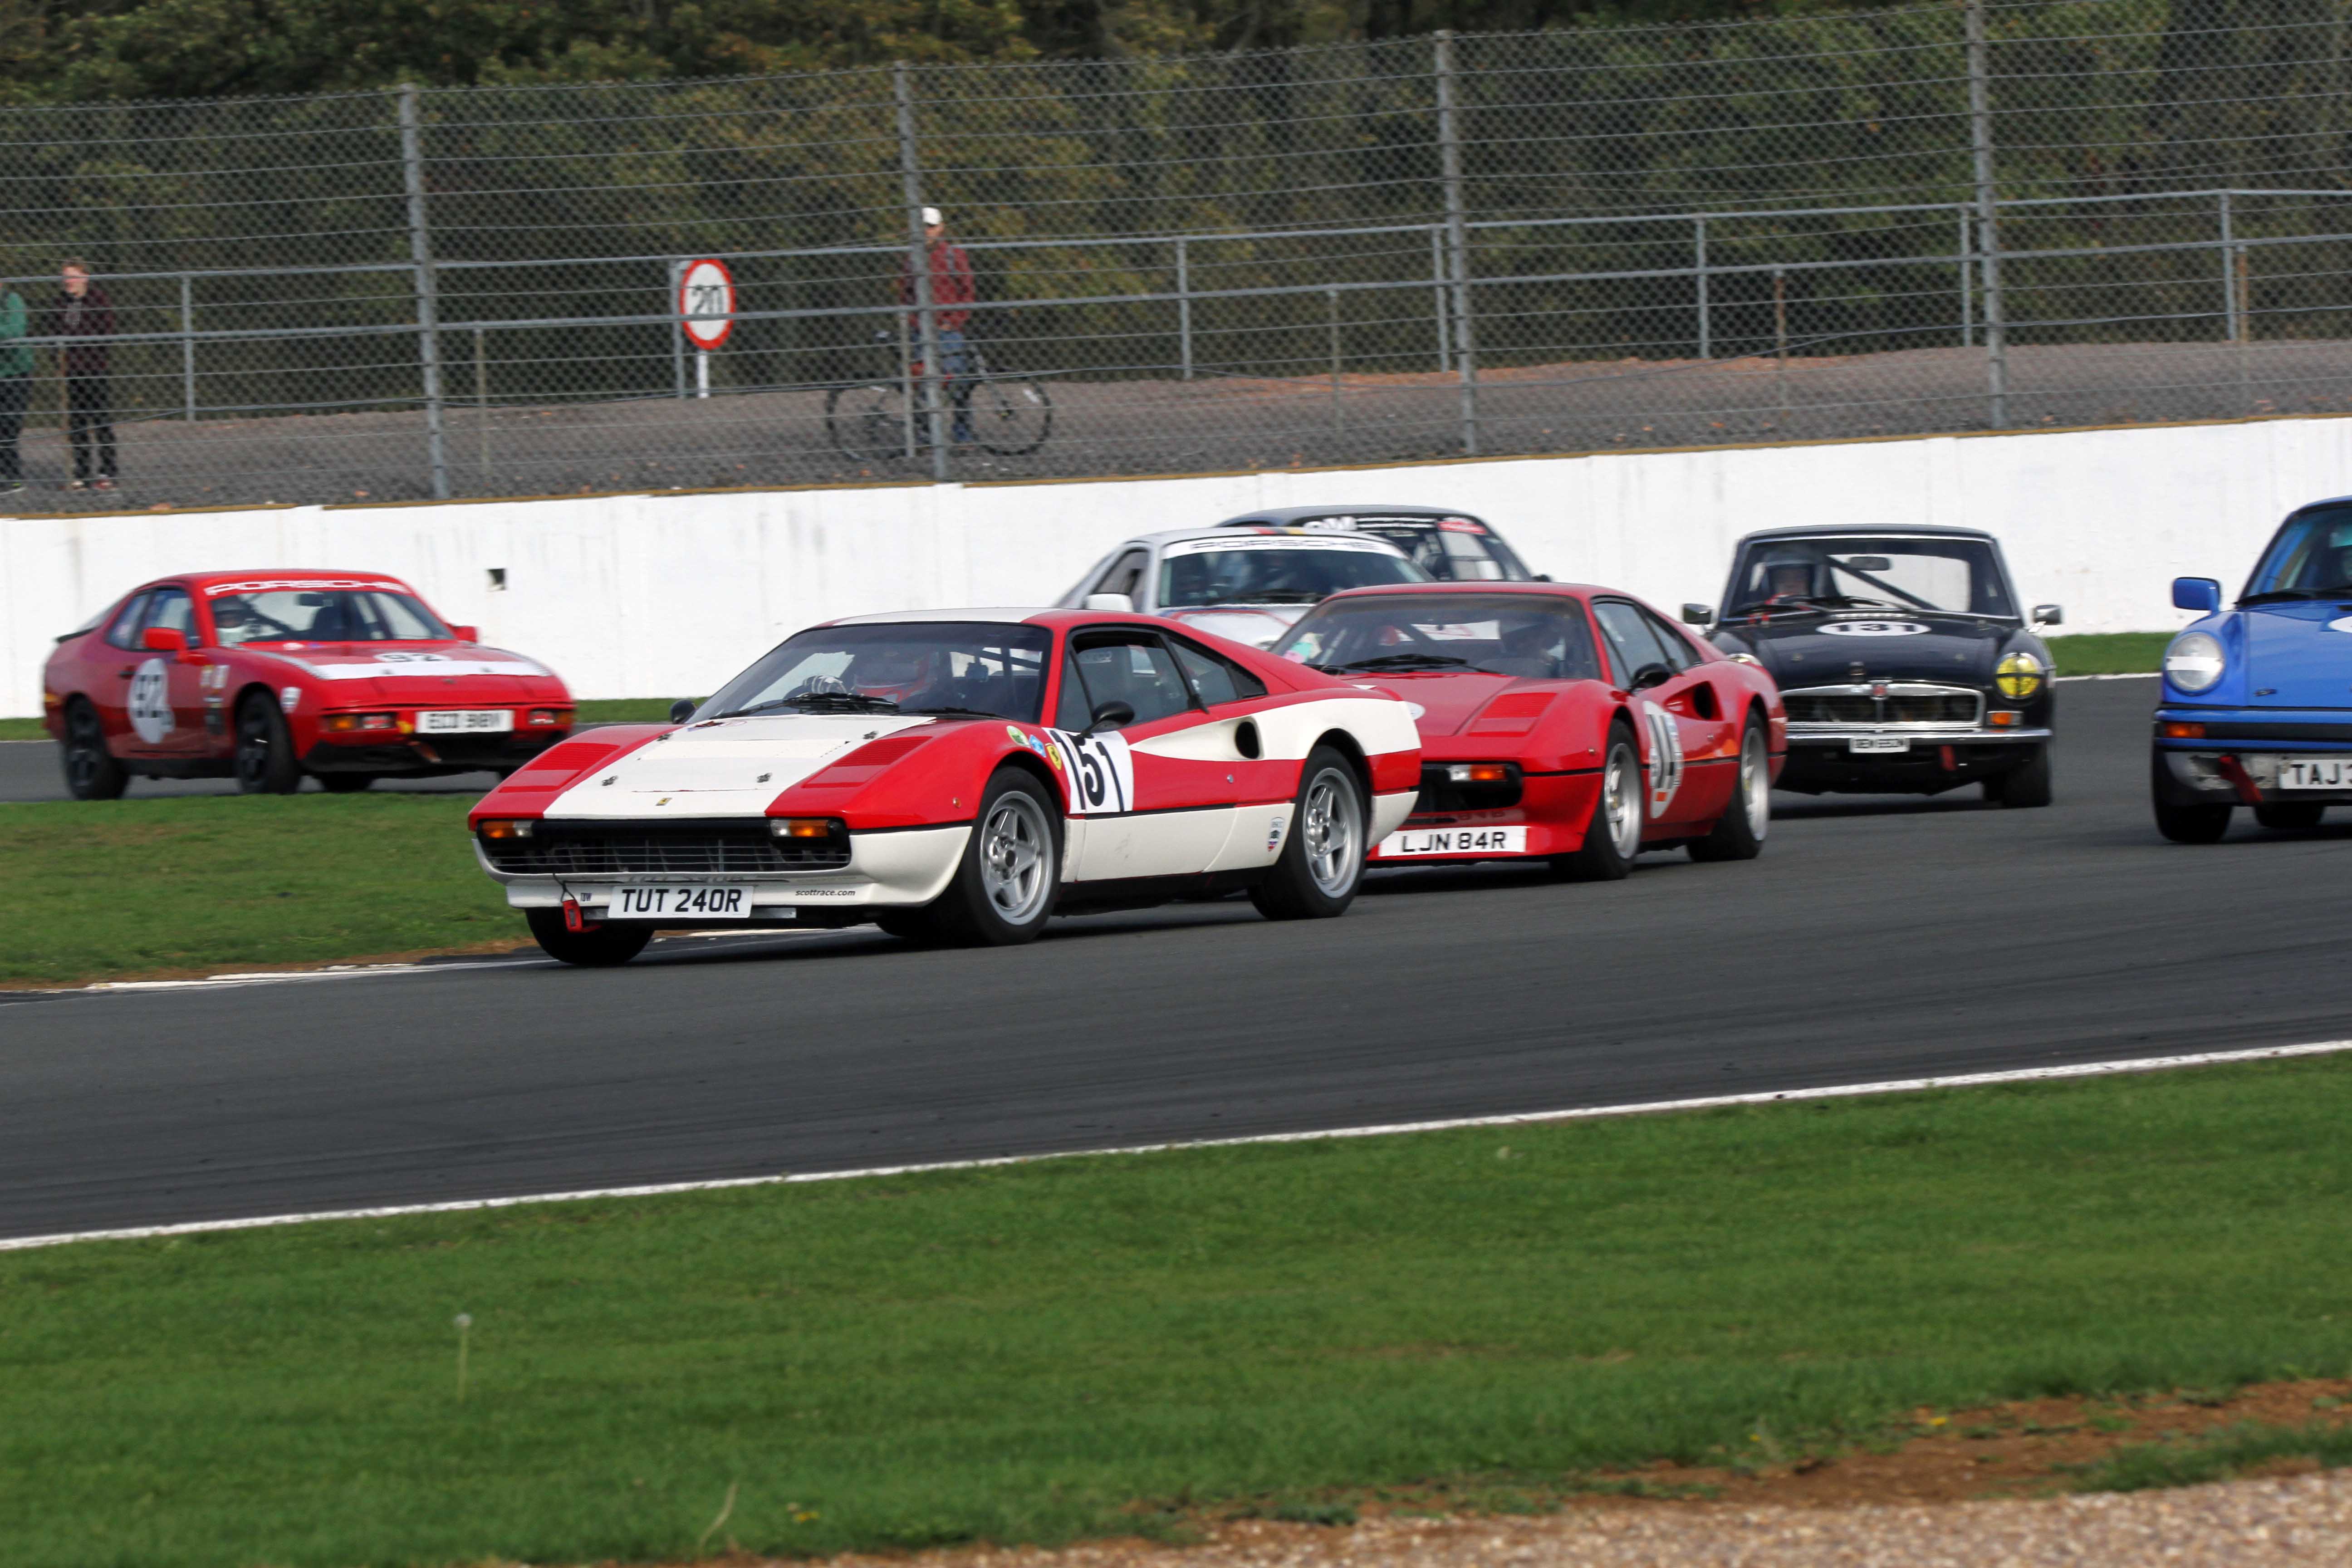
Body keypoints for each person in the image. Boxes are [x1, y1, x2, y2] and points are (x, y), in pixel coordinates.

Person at [896, 206, 978, 445]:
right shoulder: (912, 259)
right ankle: (927, 434)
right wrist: (915, 322)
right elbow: (906, 294)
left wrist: (953, 322)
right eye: (922, 227)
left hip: (948, 331)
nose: (926, 232)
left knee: (957, 384)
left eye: (931, 227)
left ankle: (962, 435)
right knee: (923, 385)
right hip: (921, 331)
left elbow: (968, 294)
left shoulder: (954, 256)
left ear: (940, 228)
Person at [51, 258, 116, 491]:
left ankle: (108, 471)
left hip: (94, 369)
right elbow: (53, 331)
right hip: (71, 371)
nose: (69, 281)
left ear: (85, 278)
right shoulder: (60, 303)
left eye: (74, 276)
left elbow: (106, 332)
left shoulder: (98, 300)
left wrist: (88, 352)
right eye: (66, 277)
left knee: (100, 421)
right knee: (77, 424)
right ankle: (82, 471)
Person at [0, 278, 30, 493]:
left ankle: (14, 477)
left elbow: (14, 332)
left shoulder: (12, 301)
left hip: (15, 374)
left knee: (10, 426)